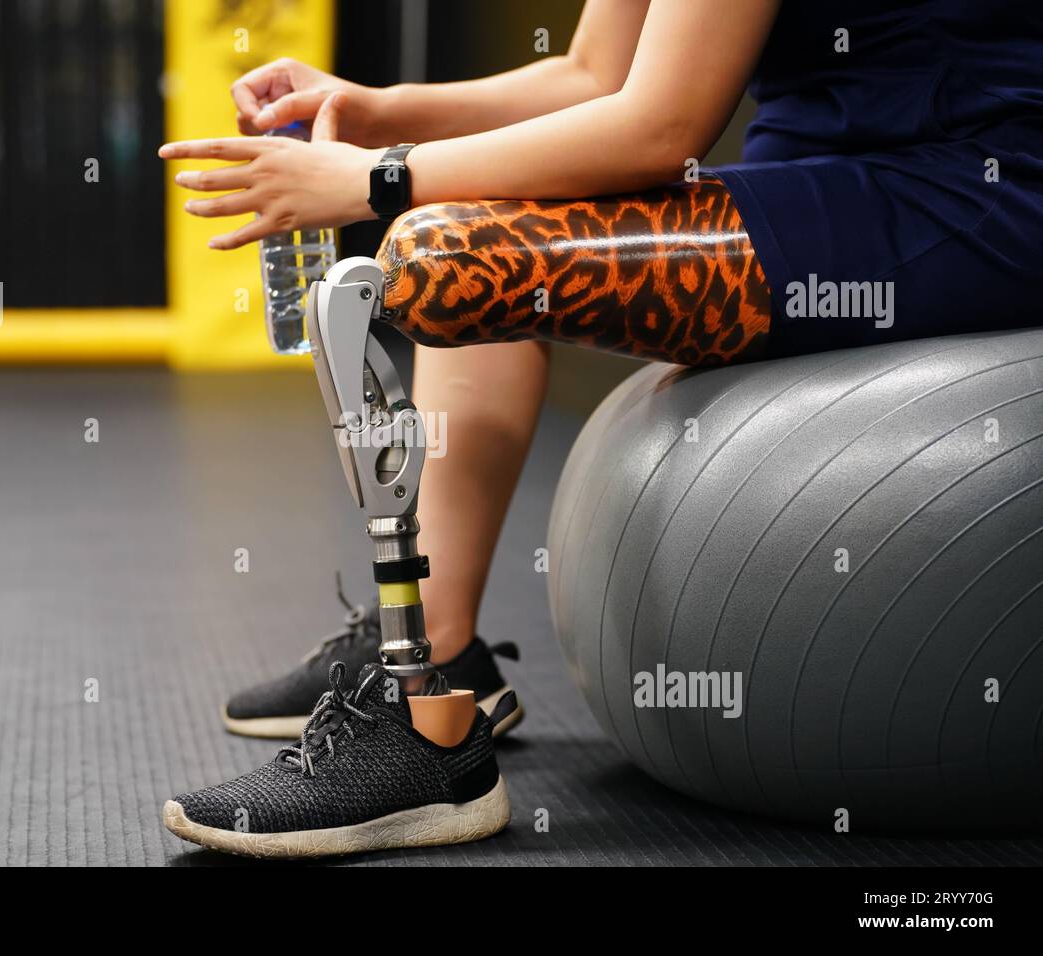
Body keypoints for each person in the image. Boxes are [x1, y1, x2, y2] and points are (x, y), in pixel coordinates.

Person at [158, 0, 1043, 857]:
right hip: (821, 183)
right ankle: (441, 652)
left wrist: (376, 177)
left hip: (971, 189)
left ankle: (422, 728)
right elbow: (597, 74)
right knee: (467, 219)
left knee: (453, 259)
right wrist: (377, 113)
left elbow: (660, 127)